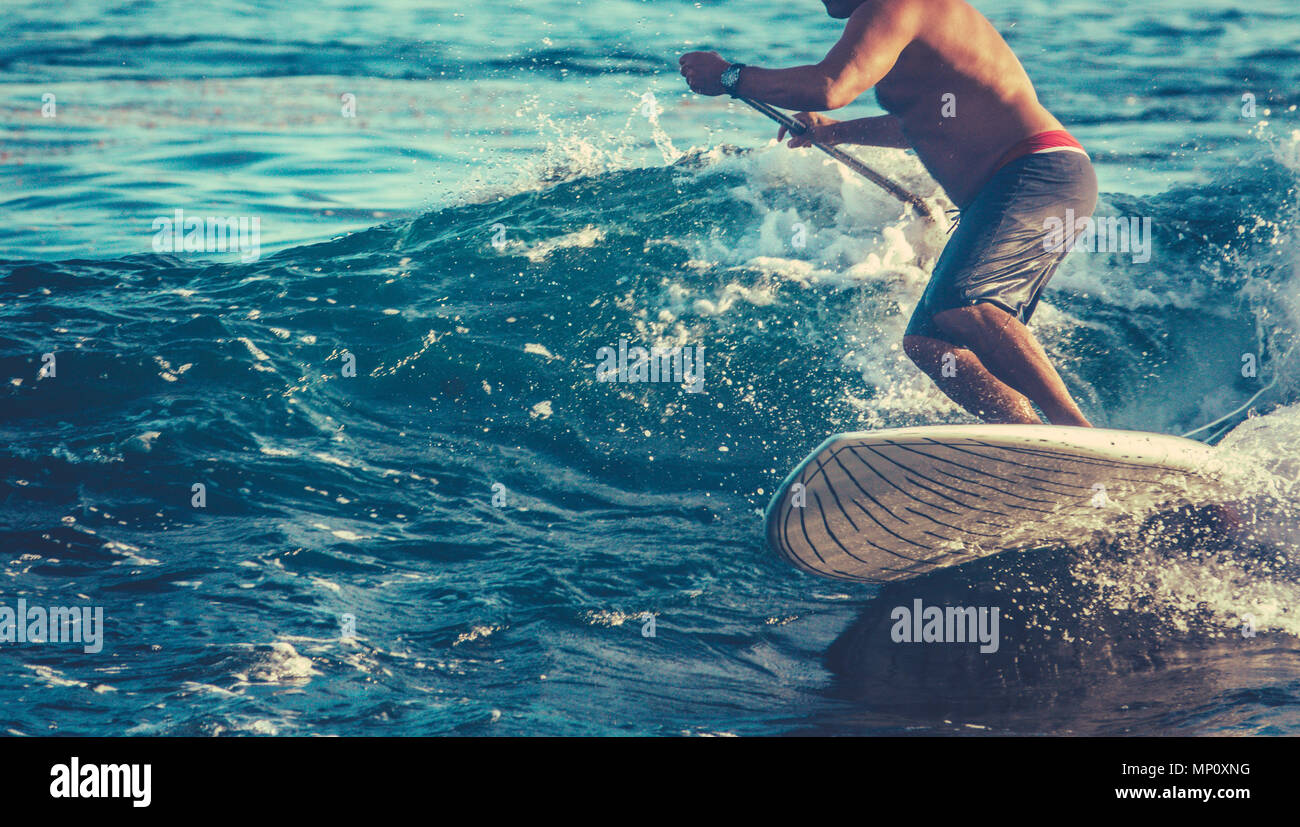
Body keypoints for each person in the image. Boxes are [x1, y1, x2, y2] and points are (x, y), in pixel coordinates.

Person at [680, 0, 1098, 426]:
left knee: (967, 305)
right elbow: (926, 122)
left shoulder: (895, 3)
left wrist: (731, 77)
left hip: (1036, 173)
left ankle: (1076, 432)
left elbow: (830, 87)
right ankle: (1034, 441)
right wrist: (836, 132)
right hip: (1019, 186)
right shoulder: (907, 23)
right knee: (930, 343)